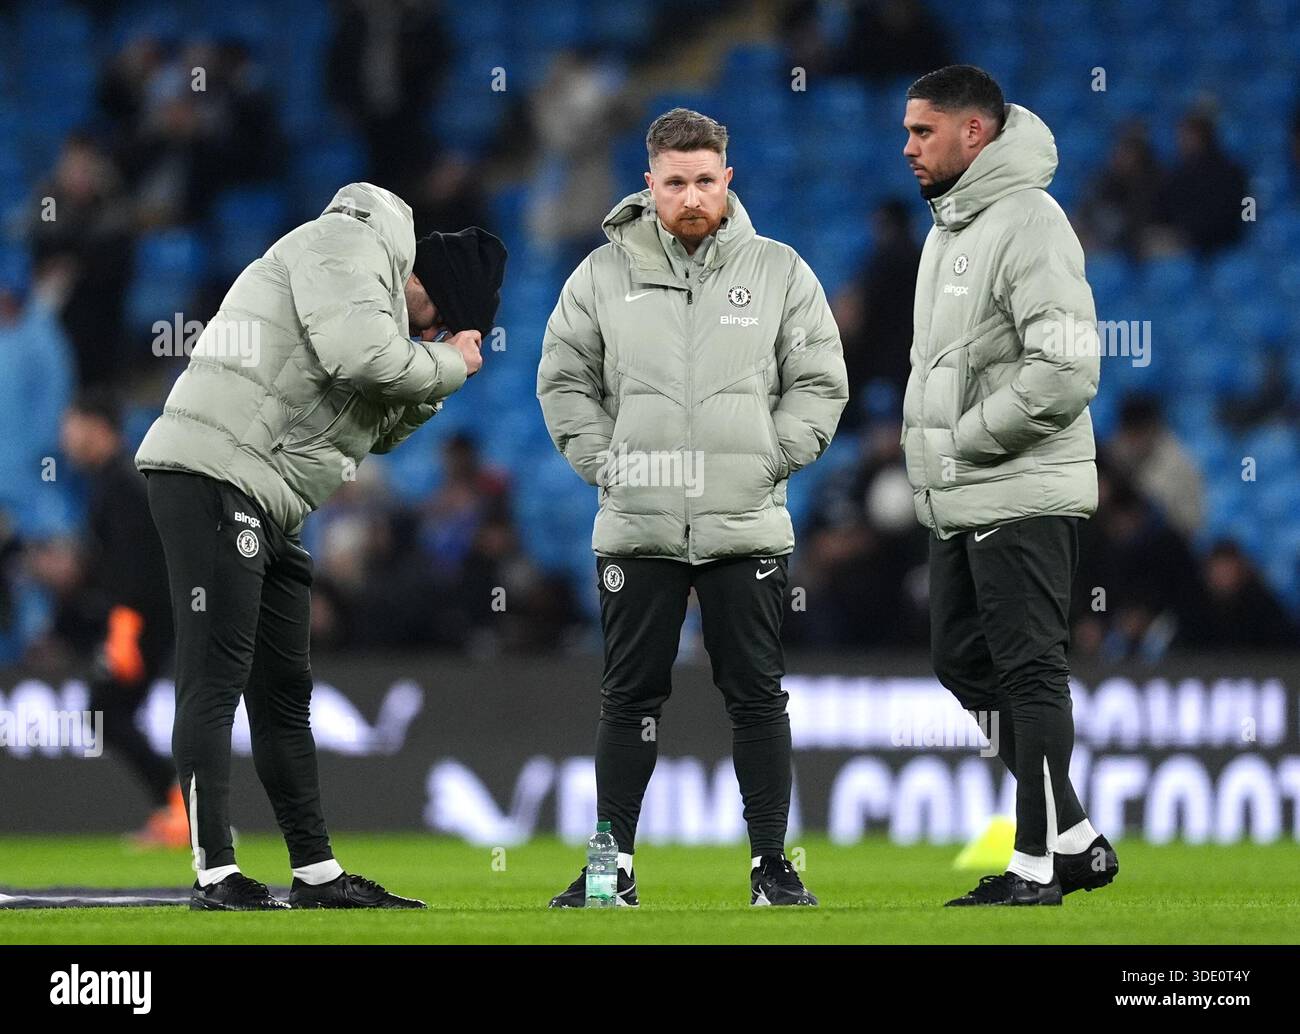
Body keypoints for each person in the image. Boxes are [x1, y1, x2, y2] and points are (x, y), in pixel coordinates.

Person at [135, 182, 505, 910]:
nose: (430, 340)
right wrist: (449, 365)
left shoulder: (370, 297)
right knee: (216, 675)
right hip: (212, 473)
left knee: (284, 694)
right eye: (440, 324)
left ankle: (316, 874)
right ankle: (215, 871)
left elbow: (380, 428)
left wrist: (434, 379)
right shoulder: (349, 244)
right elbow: (364, 362)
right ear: (427, 287)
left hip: (267, 493)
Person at [538, 108, 847, 907]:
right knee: (628, 698)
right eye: (674, 182)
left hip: (744, 524)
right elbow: (563, 381)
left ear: (727, 180)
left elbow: (820, 383)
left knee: (756, 696)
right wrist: (605, 466)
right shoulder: (600, 276)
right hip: (637, 525)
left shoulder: (780, 271)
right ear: (649, 184)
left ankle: (771, 869)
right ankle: (611, 871)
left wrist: (770, 460)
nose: (690, 197)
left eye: (705, 180)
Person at [898, 66, 1117, 906]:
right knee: (960, 660)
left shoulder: (1031, 220)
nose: (908, 147)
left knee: (1030, 674)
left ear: (974, 134)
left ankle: (1036, 868)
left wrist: (969, 438)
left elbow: (1065, 368)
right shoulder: (949, 229)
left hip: (1019, 486)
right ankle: (1074, 833)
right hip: (964, 495)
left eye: (923, 131)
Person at [61, 389, 183, 847]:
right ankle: (176, 807)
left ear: (96, 428)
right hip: (136, 620)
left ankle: (180, 807)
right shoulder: (111, 482)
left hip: (140, 623)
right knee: (110, 711)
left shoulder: (124, 484)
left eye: (70, 427)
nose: (65, 439)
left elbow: (140, 568)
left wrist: (125, 632)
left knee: (104, 709)